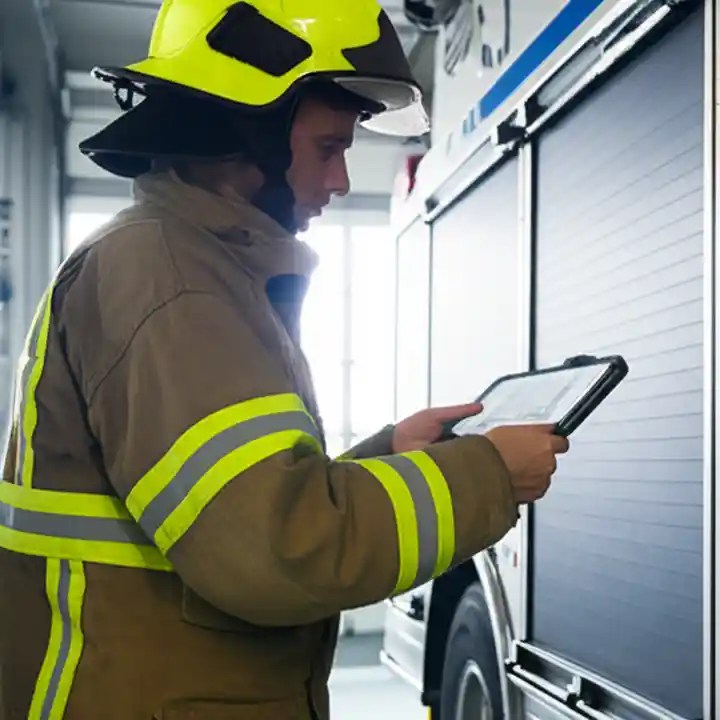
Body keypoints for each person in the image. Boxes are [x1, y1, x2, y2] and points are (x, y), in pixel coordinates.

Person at [0, 1, 567, 718]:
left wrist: (388, 453)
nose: (338, 181)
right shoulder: (169, 277)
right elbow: (274, 551)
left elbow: (240, 501)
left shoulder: (195, 265)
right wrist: (485, 475)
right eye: (330, 148)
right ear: (248, 130)